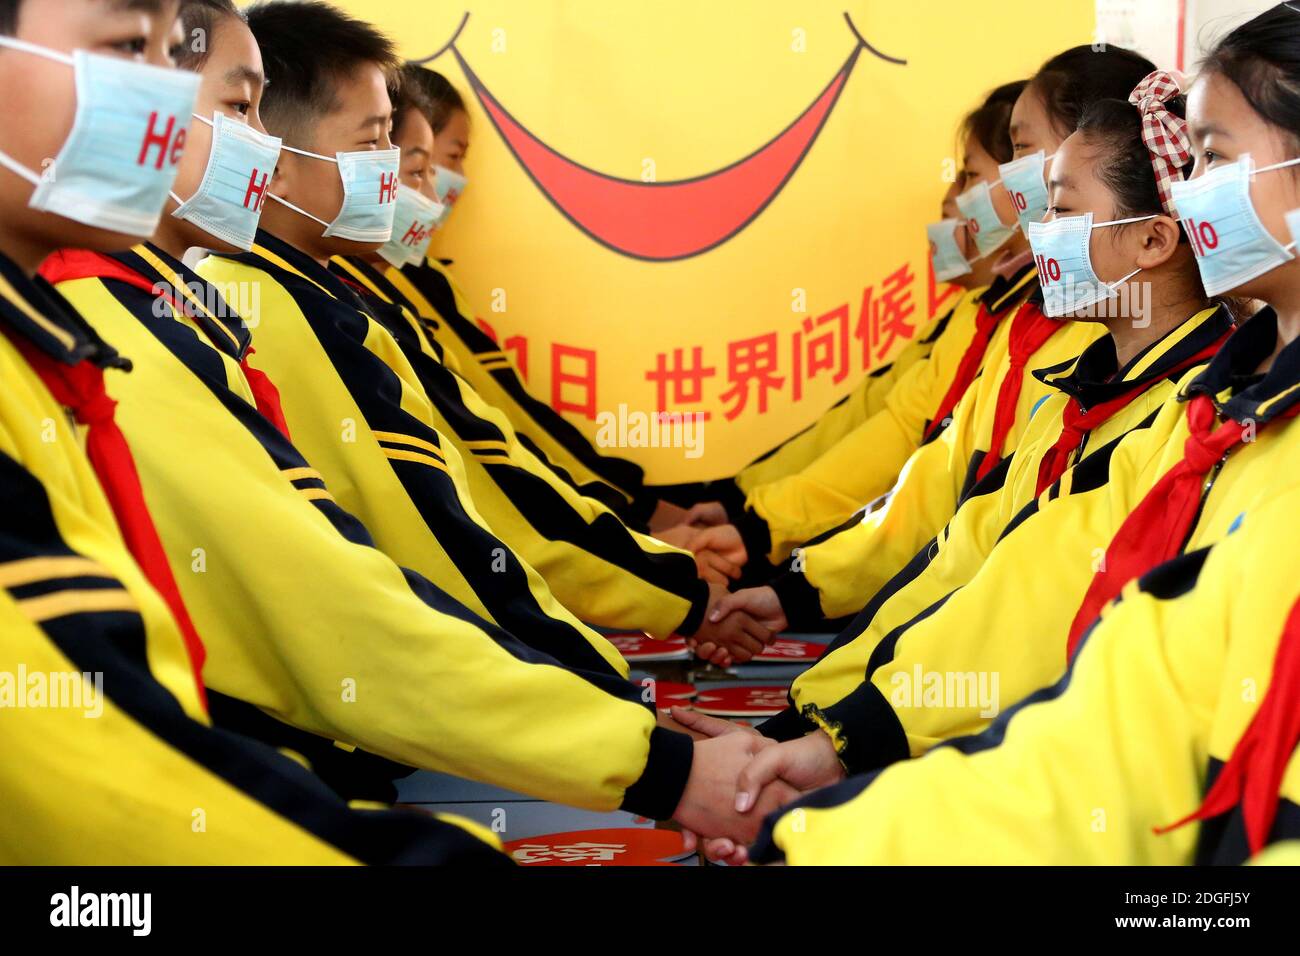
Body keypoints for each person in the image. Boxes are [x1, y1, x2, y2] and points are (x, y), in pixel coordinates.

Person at [35, 0, 779, 847]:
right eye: (238, 109)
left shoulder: (204, 306)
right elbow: (360, 579)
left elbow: (480, 477)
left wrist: (633, 711)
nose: (400, 177)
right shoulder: (160, 318)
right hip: (258, 782)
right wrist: (637, 729)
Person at [704, 1, 1300, 861]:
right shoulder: (1216, 414)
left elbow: (1038, 618)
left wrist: (837, 747)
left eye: (1214, 157)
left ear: (1153, 238)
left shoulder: (1190, 419)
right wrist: (828, 742)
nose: (999, 207)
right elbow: (981, 564)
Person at [0, 0, 504, 864]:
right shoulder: (124, 318)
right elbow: (91, 755)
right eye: (129, 49)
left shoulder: (90, 325)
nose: (165, 101)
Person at [704, 44, 1170, 663]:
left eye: (1015, 156)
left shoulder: (1118, 352)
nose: (966, 199)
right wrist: (769, 544)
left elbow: (1014, 574)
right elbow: (936, 487)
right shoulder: (1027, 322)